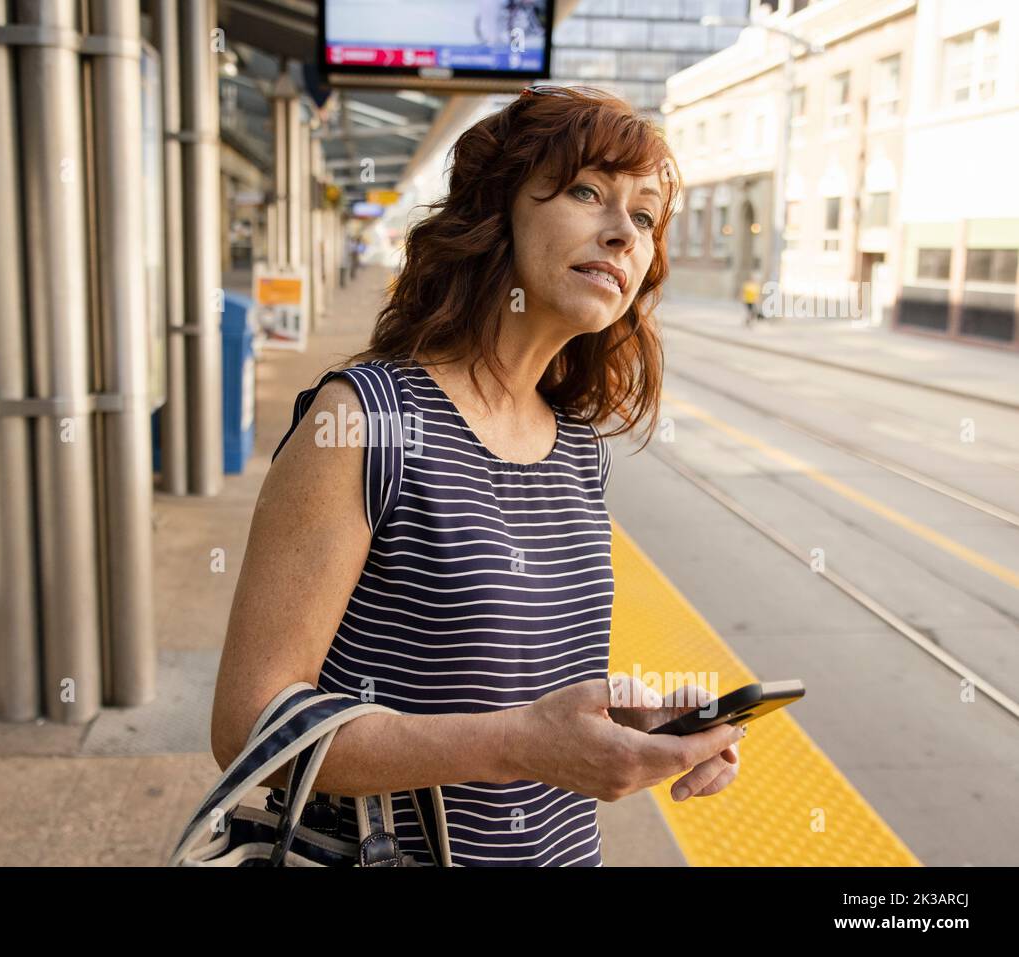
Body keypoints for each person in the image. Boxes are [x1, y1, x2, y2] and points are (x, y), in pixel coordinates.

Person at [211, 86, 744, 867]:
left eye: (643, 216)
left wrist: (641, 733)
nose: (622, 233)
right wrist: (515, 747)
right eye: (588, 191)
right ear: (497, 211)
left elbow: (535, 696)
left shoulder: (574, 447)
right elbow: (250, 727)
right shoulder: (364, 421)